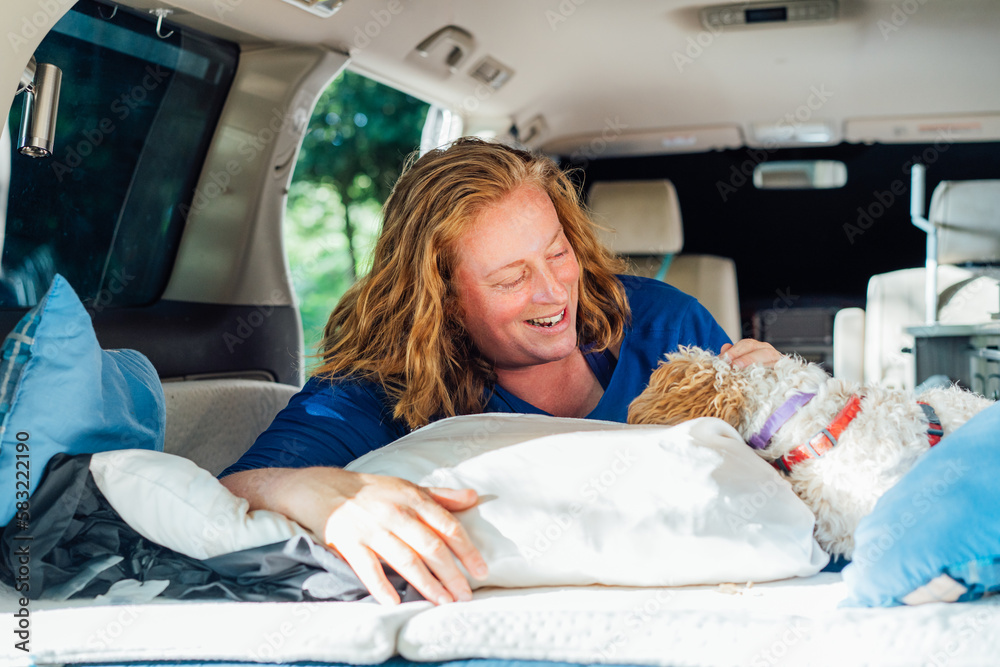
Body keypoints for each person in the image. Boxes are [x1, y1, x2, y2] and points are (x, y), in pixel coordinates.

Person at [220, 137, 780, 606]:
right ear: (441, 299)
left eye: (557, 253)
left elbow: (766, 476)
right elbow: (232, 492)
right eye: (511, 279)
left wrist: (787, 410)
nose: (554, 291)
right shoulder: (380, 388)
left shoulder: (664, 322)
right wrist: (334, 497)